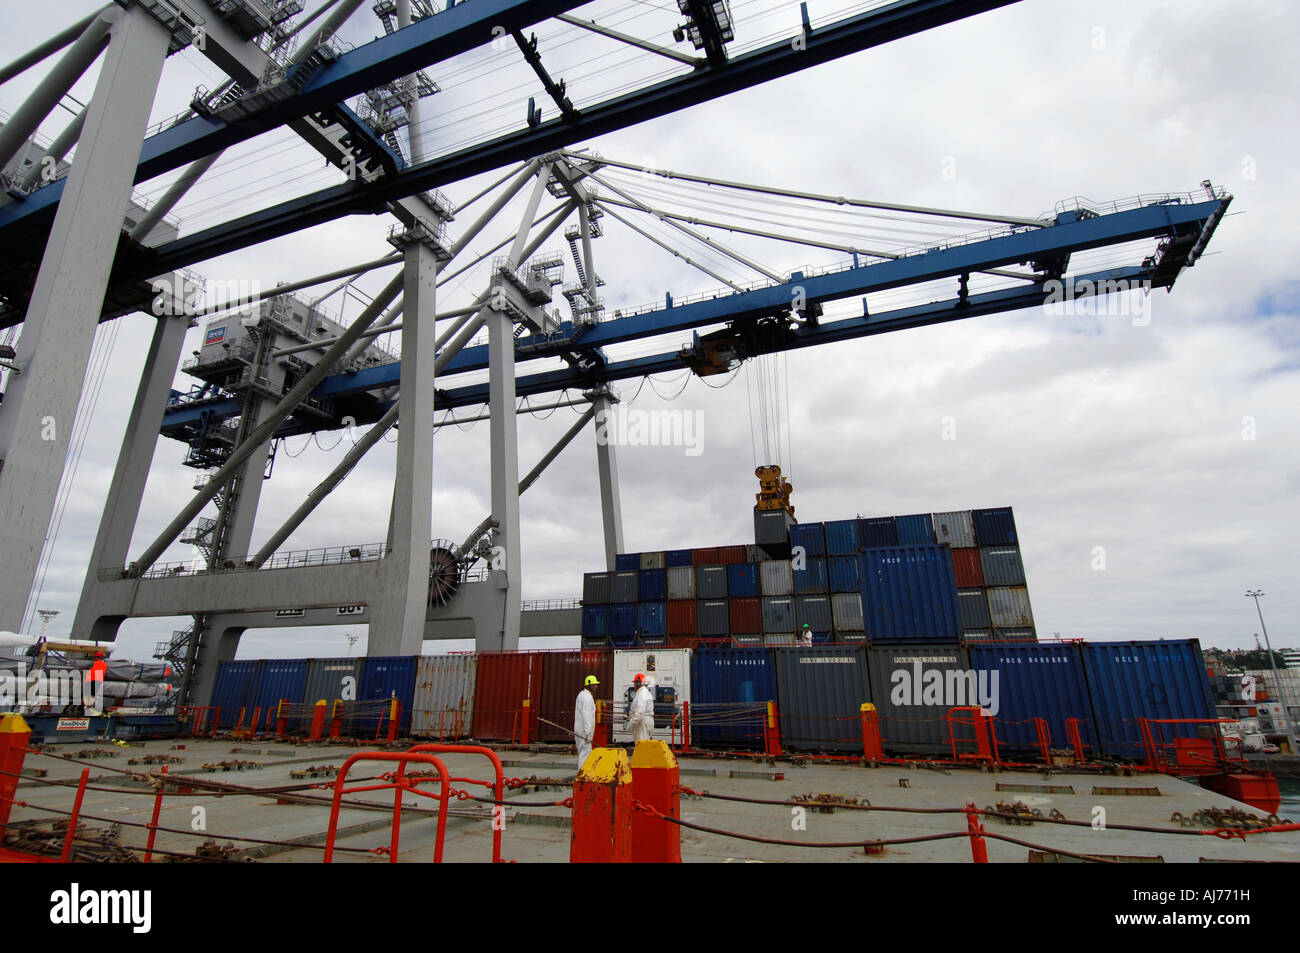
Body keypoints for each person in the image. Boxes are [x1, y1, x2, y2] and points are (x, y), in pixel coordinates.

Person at [574, 674, 599, 770]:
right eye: (595, 684)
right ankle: (582, 777)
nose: (596, 686)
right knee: (585, 755)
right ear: (590, 685)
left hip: (580, 729)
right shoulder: (588, 698)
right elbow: (587, 716)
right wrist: (588, 733)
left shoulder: (581, 695)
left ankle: (582, 775)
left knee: (582, 753)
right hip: (585, 732)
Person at [626, 672, 655, 744]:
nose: (634, 685)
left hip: (642, 724)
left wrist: (630, 724)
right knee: (644, 745)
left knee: (641, 746)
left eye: (635, 683)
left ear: (638, 684)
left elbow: (639, 713)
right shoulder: (645, 693)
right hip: (644, 723)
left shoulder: (642, 695)